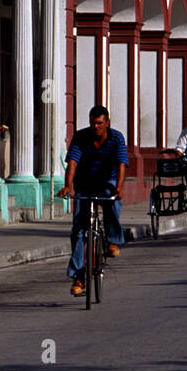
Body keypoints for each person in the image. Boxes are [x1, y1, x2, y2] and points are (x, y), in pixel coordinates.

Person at [56, 105, 128, 297]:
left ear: (107, 123)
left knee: (112, 201)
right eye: (92, 123)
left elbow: (121, 163)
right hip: (85, 181)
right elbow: (72, 162)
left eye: (99, 123)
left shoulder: (116, 138)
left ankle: (112, 240)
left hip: (108, 180)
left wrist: (119, 187)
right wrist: (68, 185)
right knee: (78, 229)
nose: (95, 126)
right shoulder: (81, 137)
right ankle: (78, 277)